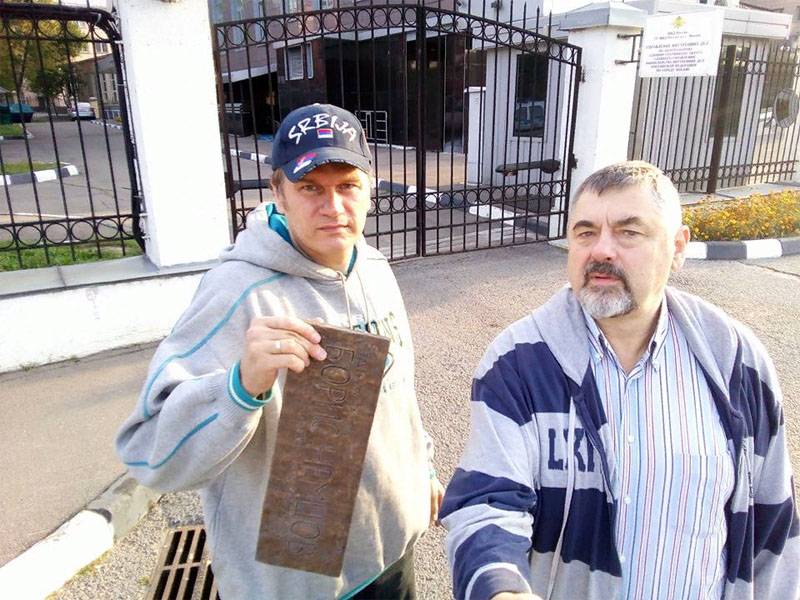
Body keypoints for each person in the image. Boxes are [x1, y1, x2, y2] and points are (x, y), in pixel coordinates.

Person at [116, 104, 443, 599]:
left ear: (371, 188)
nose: (332, 206)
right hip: (293, 584)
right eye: (310, 187)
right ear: (278, 193)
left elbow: (400, 396)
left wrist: (424, 470)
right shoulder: (238, 292)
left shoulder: (376, 269)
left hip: (390, 556)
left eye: (347, 185)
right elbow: (148, 453)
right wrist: (238, 388)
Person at [439, 161, 799, 600]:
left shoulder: (735, 365)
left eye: (629, 232)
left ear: (678, 247)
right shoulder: (519, 363)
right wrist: (502, 589)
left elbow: (773, 529)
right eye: (586, 232)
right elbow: (486, 503)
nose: (602, 250)